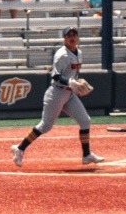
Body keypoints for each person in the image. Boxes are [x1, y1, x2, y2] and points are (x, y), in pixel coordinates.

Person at [10, 27, 100, 167]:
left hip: (69, 94)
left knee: (85, 121)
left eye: (74, 35)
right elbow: (56, 76)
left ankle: (86, 155)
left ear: (78, 38)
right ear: (64, 38)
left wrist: (76, 82)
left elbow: (72, 74)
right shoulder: (62, 54)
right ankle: (19, 149)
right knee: (45, 126)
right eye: (69, 35)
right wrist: (70, 82)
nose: (72, 37)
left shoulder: (79, 52)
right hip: (56, 93)